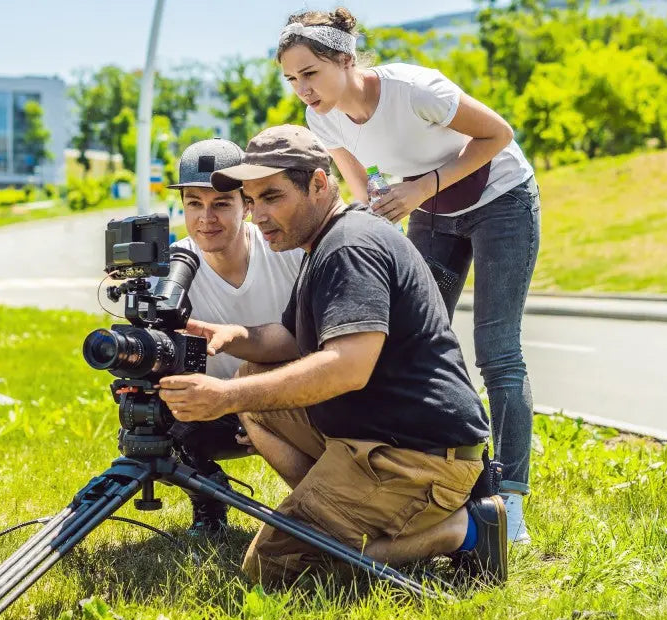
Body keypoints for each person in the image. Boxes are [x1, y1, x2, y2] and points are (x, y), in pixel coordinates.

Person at [157, 125, 508, 585]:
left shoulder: (349, 247)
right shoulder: (324, 242)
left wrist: (226, 397)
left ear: (320, 184)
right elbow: (288, 337)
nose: (258, 215)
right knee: (254, 377)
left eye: (273, 197)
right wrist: (230, 334)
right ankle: (334, 511)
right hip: (376, 433)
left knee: (275, 569)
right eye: (253, 199)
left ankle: (462, 530)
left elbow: (348, 366)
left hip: (416, 458)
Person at [277, 8, 541, 543]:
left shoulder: (415, 90)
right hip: (430, 210)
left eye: (310, 73)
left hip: (502, 200)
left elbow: (497, 135)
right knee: (413, 344)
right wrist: (373, 236)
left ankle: (507, 498)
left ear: (345, 60)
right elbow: (363, 188)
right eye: (291, 79)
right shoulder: (322, 120)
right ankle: (437, 472)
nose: (302, 89)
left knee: (497, 351)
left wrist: (421, 189)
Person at [164, 138, 303, 538]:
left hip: (297, 400)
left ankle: (325, 505)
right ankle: (208, 497)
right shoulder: (173, 269)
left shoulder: (286, 251)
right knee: (144, 427)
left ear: (247, 203)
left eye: (221, 203)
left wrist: (260, 404)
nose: (206, 218)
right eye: (194, 203)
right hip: (216, 410)